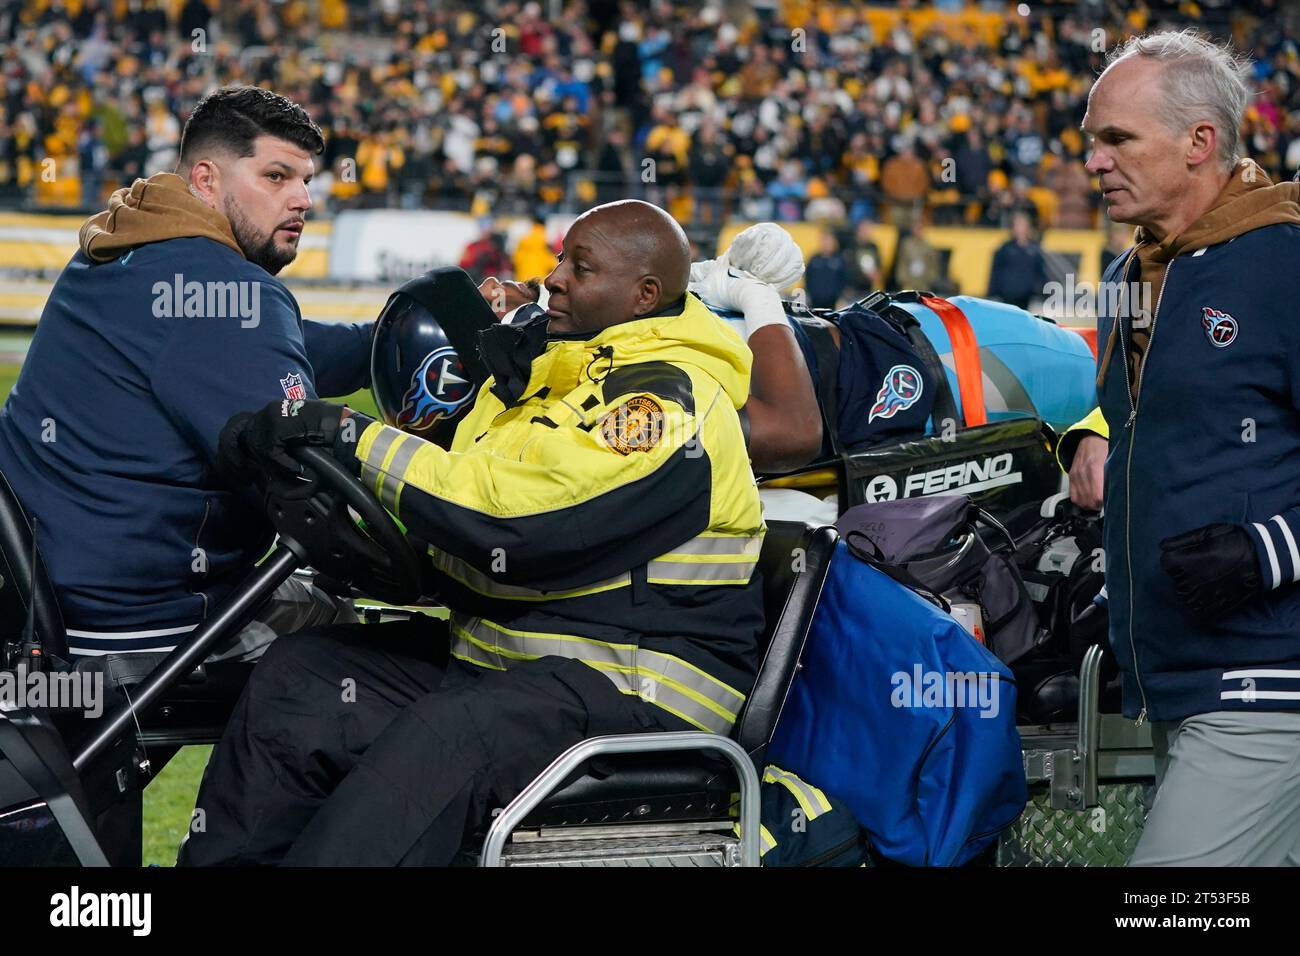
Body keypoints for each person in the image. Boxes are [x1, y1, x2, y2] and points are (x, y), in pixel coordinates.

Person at [178, 199, 766, 866]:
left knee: (450, 736)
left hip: (638, 692)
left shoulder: (662, 401)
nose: (554, 279)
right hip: (515, 667)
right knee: (303, 680)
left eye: (582, 266)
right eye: (560, 260)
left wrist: (351, 438)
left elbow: (516, 523)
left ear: (643, 295)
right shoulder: (551, 380)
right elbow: (459, 511)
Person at [0, 86, 370, 661]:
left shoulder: (126, 241)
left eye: (306, 181)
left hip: (41, 590)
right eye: (276, 177)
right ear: (205, 180)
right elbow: (309, 473)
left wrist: (384, 337)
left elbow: (271, 344)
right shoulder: (229, 289)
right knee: (379, 662)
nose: (302, 199)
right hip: (145, 617)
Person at [1070, 30, 1300, 865]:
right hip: (1179, 678)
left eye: (1117, 138)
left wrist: (1265, 551)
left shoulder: (1284, 261)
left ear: (1201, 142)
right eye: (1092, 139)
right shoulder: (1133, 277)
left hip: (1267, 680)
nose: (1094, 161)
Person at [987, 210, 1049, 310]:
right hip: (1007, 295)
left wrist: (1043, 292)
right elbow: (996, 271)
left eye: (1023, 225)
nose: (1020, 229)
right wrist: (992, 293)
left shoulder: (1034, 249)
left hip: (1027, 296)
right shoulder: (1005, 248)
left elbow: (1040, 273)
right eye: (1018, 225)